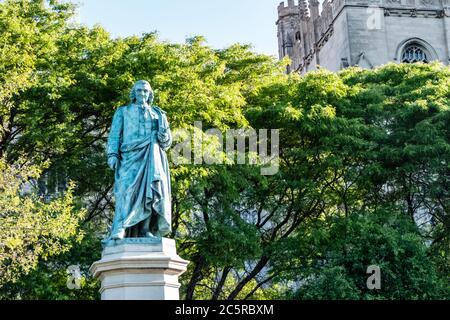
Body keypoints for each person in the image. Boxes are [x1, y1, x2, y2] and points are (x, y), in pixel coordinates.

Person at [106, 80, 172, 240]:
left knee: (152, 189)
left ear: (150, 94)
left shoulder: (158, 114)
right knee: (126, 191)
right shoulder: (123, 112)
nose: (142, 94)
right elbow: (114, 135)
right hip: (129, 156)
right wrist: (112, 154)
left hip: (153, 156)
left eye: (145, 91)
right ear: (134, 93)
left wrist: (164, 136)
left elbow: (167, 142)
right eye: (139, 91)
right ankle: (121, 227)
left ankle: (145, 229)